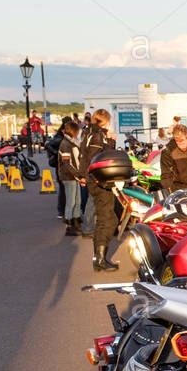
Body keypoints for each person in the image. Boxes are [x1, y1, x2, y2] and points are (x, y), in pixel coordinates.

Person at [80, 109, 119, 270]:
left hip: (95, 181)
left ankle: (100, 257)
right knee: (107, 220)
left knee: (107, 219)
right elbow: (99, 158)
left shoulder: (88, 133)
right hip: (100, 181)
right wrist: (111, 141)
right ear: (105, 121)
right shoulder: (98, 135)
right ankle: (100, 259)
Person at [57, 118, 83, 236]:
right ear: (72, 131)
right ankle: (69, 224)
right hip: (69, 176)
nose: (78, 133)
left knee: (77, 200)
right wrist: (78, 174)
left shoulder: (71, 142)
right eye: (77, 131)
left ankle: (76, 220)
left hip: (74, 176)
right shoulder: (65, 144)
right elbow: (67, 163)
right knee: (71, 201)